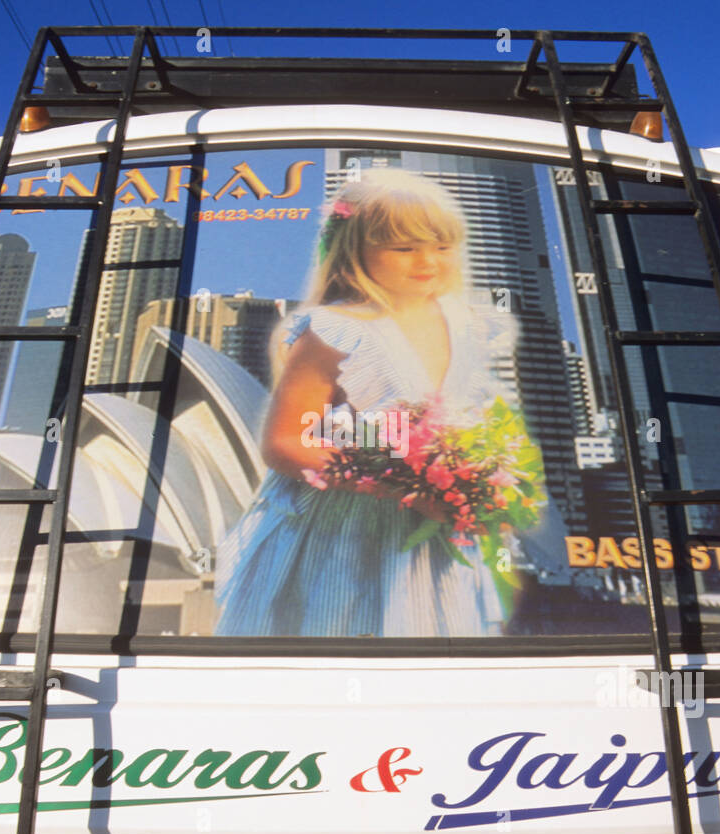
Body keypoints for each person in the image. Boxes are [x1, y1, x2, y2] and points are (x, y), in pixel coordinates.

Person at [214, 168, 530, 637]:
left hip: (432, 546)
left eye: (441, 247)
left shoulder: (466, 327)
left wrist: (478, 481)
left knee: (436, 650)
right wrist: (403, 486)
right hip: (343, 536)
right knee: (339, 639)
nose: (428, 260)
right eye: (404, 248)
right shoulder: (338, 330)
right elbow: (283, 443)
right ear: (355, 253)